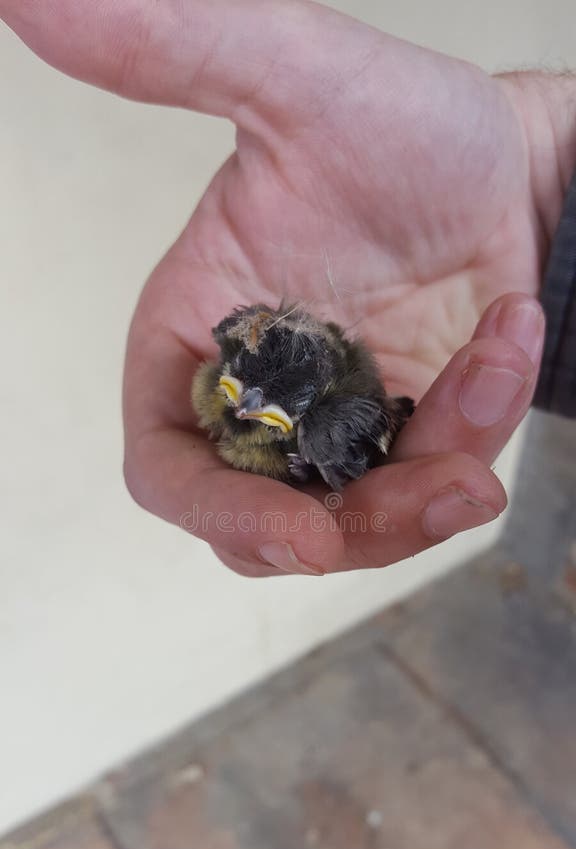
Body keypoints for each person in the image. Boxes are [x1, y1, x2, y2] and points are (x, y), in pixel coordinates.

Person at [2, 0, 574, 577]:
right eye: (246, 391)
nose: (245, 404)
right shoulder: (234, 356)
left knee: (333, 454)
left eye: (262, 404)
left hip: (330, 402)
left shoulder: (317, 429)